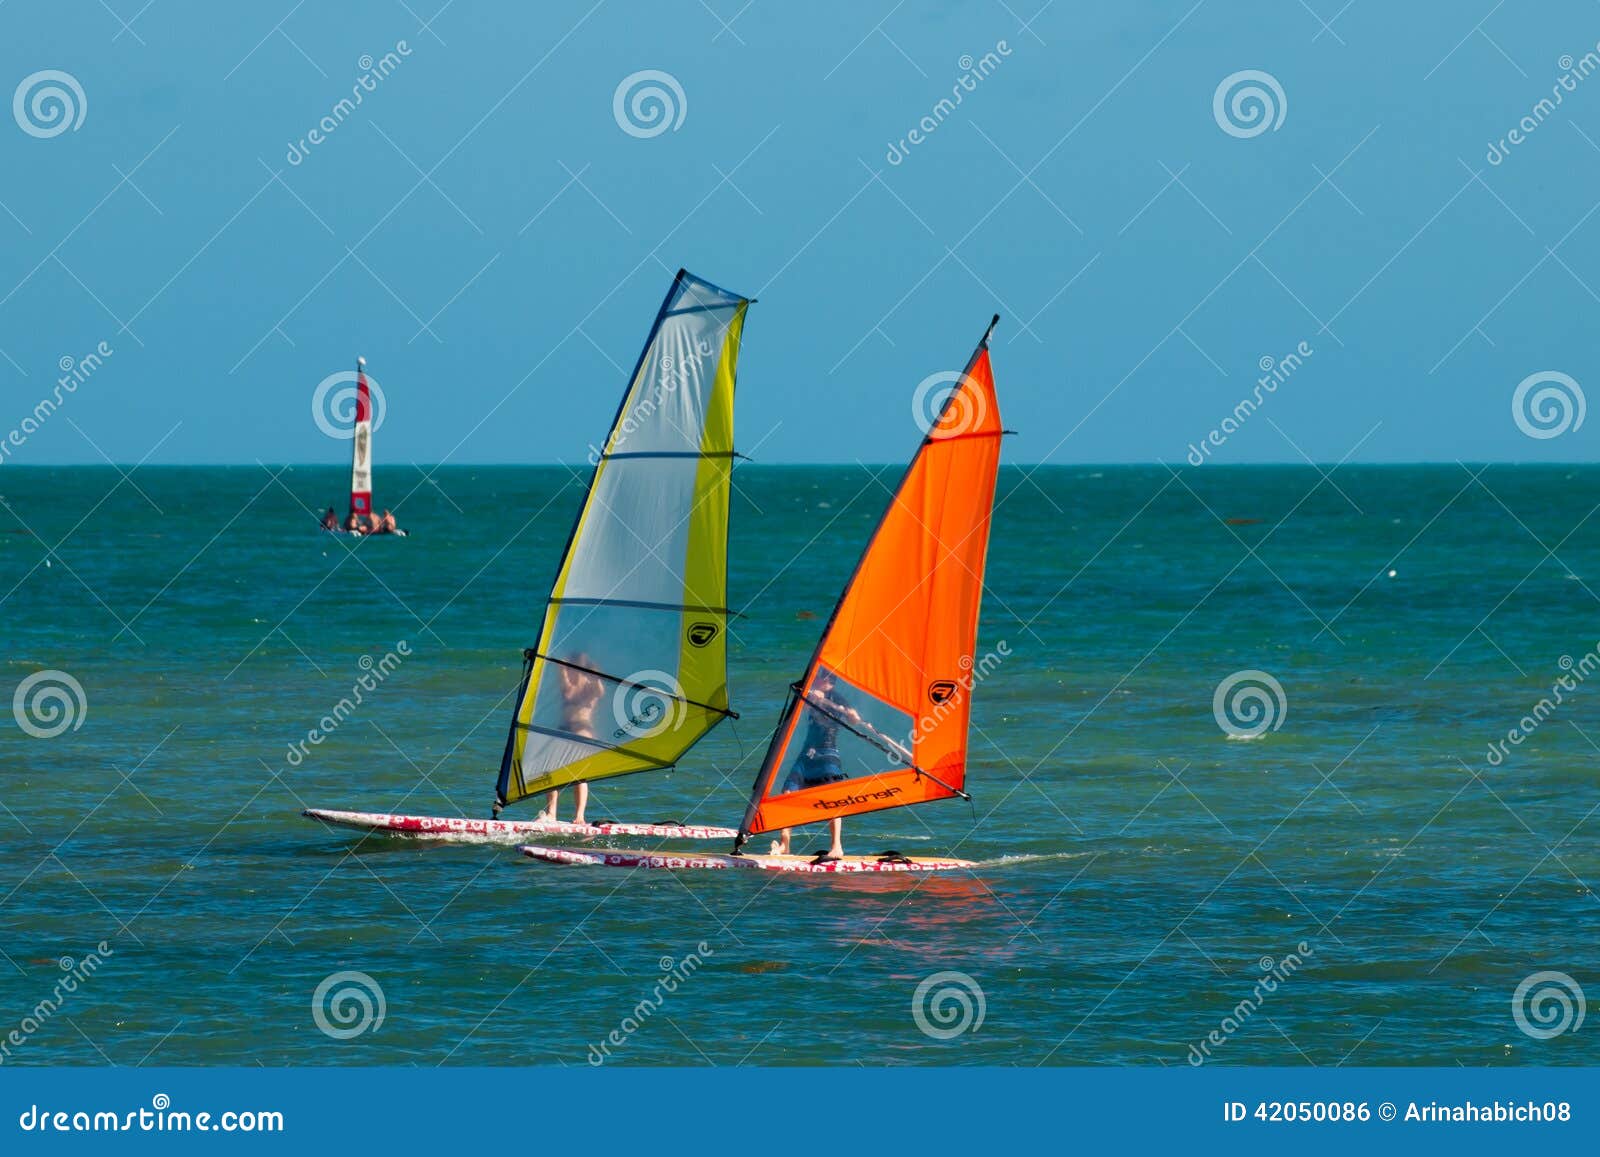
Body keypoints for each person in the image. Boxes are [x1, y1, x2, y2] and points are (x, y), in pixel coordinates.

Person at [774, 670, 859, 859]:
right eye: (821, 677)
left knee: (832, 797)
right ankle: (784, 843)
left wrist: (851, 713)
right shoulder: (810, 693)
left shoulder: (837, 697)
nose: (823, 680)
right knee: (788, 793)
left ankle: (837, 846)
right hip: (807, 753)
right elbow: (802, 705)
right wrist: (811, 697)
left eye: (825, 678)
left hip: (827, 752)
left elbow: (854, 719)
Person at [539, 651, 603, 826]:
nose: (572, 672)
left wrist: (595, 674)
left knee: (579, 776)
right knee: (552, 772)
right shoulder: (569, 683)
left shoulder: (591, 685)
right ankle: (551, 813)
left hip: (582, 730)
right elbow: (566, 688)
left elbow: (599, 691)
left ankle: (579, 817)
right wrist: (561, 664)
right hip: (563, 729)